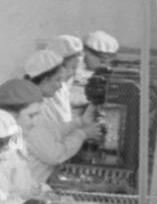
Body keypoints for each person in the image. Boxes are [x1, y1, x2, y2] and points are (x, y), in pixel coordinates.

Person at [20, 47, 105, 185]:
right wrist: (81, 134)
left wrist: (80, 122)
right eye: (57, 80)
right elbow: (55, 155)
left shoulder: (36, 102)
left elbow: (51, 131)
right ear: (45, 79)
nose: (60, 86)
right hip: (25, 186)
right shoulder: (28, 111)